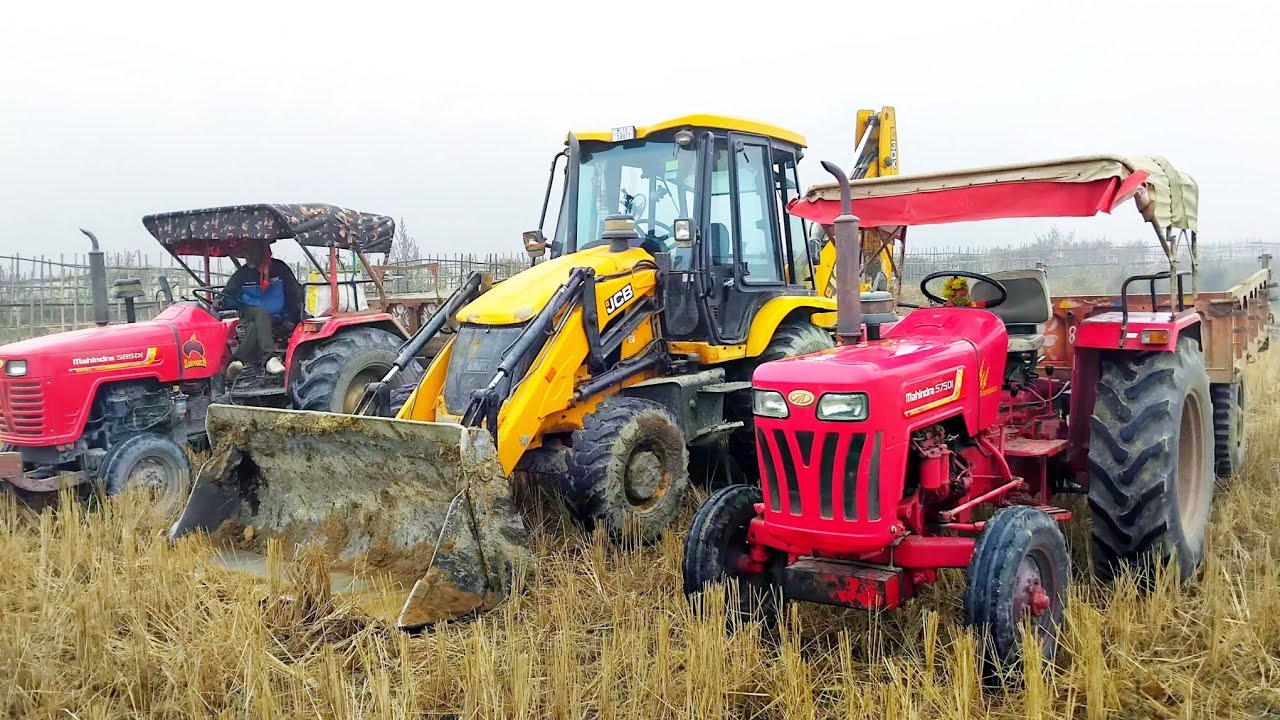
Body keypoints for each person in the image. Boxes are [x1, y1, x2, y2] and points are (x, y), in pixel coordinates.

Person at [221, 239, 303, 377]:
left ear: (263, 251)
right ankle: (269, 357)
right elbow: (227, 296)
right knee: (260, 311)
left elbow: (294, 295)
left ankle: (237, 360)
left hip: (276, 317)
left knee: (256, 324)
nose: (248, 255)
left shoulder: (280, 269)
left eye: (252, 251)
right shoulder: (242, 275)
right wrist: (222, 302)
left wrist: (293, 319)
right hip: (249, 312)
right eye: (247, 251)